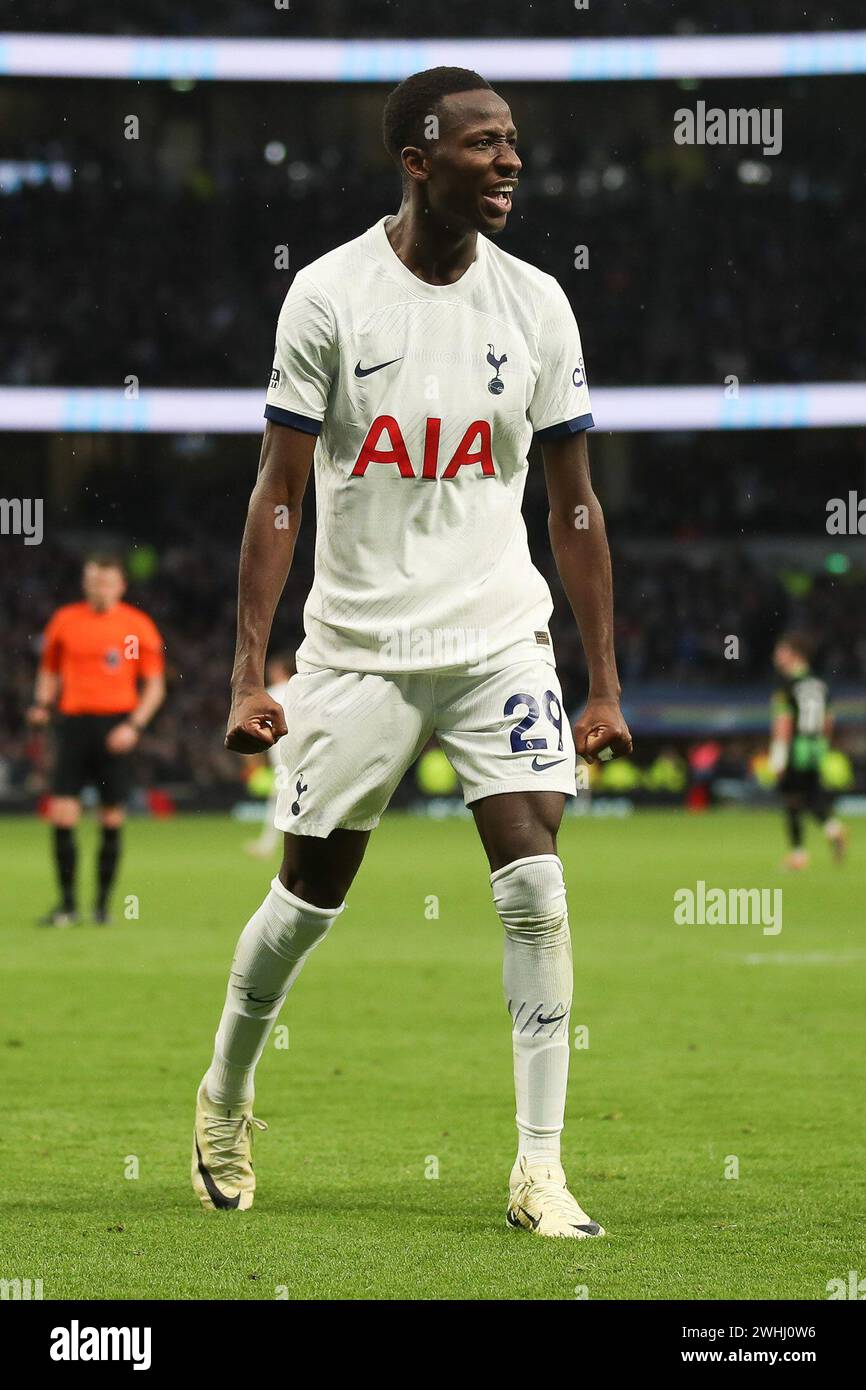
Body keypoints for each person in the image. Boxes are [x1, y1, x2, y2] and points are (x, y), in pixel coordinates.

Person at [192, 67, 632, 1237]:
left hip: (496, 633)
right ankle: (226, 1090)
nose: (509, 161)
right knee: (306, 897)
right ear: (417, 159)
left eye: (515, 143)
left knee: (534, 881)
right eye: (483, 143)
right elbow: (279, 492)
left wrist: (601, 678)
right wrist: (250, 668)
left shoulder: (537, 302)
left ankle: (537, 1167)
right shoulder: (329, 296)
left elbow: (572, 505)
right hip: (359, 648)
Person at [28, 554, 166, 925]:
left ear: (121, 585)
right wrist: (42, 704)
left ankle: (102, 907)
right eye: (92, 581)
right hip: (73, 725)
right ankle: (68, 906)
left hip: (116, 726)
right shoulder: (65, 621)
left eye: (106, 582)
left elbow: (154, 684)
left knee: (111, 816)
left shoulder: (136, 628)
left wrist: (134, 726)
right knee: (62, 814)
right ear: (84, 583)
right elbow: (49, 670)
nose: (98, 588)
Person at [770, 632, 847, 870]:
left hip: (796, 747)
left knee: (792, 799)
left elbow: (783, 723)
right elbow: (829, 720)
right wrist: (822, 746)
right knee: (810, 794)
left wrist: (779, 756)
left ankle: (798, 854)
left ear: (794, 655)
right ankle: (833, 828)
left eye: (780, 651)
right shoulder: (821, 684)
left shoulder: (787, 686)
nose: (776, 657)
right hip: (816, 747)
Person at [243, 653, 295, 859]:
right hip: (308, 753)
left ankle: (267, 846)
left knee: (279, 800)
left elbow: (252, 725)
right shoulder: (302, 690)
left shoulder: (271, 694)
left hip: (282, 758)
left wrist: (254, 762)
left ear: (280, 671)